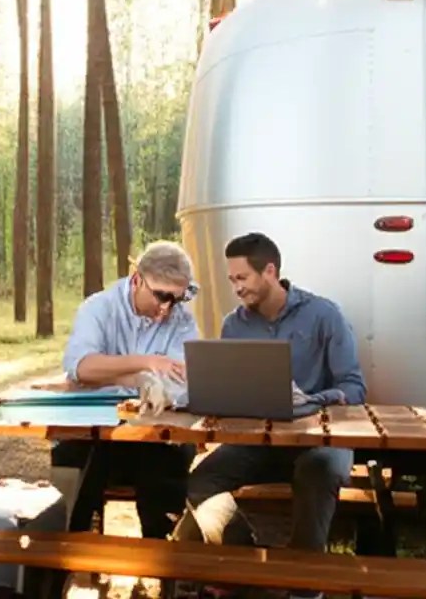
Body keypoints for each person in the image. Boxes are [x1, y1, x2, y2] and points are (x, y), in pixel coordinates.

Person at [173, 232, 366, 598]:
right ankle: (248, 570)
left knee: (319, 470)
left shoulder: (324, 315)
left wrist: (309, 399)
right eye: (231, 280)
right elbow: (231, 388)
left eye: (241, 278)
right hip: (258, 444)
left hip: (321, 442)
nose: (236, 288)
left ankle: (304, 586)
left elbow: (354, 389)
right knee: (199, 480)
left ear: (270, 271)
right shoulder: (234, 325)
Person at [52, 239, 201, 539]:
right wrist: (146, 364)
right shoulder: (98, 308)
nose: (167, 308)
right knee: (72, 472)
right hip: (95, 433)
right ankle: (63, 561)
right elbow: (81, 368)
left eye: (177, 298)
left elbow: (183, 381)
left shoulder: (182, 321)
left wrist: (117, 375)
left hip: (155, 438)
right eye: (161, 296)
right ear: (137, 280)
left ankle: (165, 565)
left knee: (169, 467)